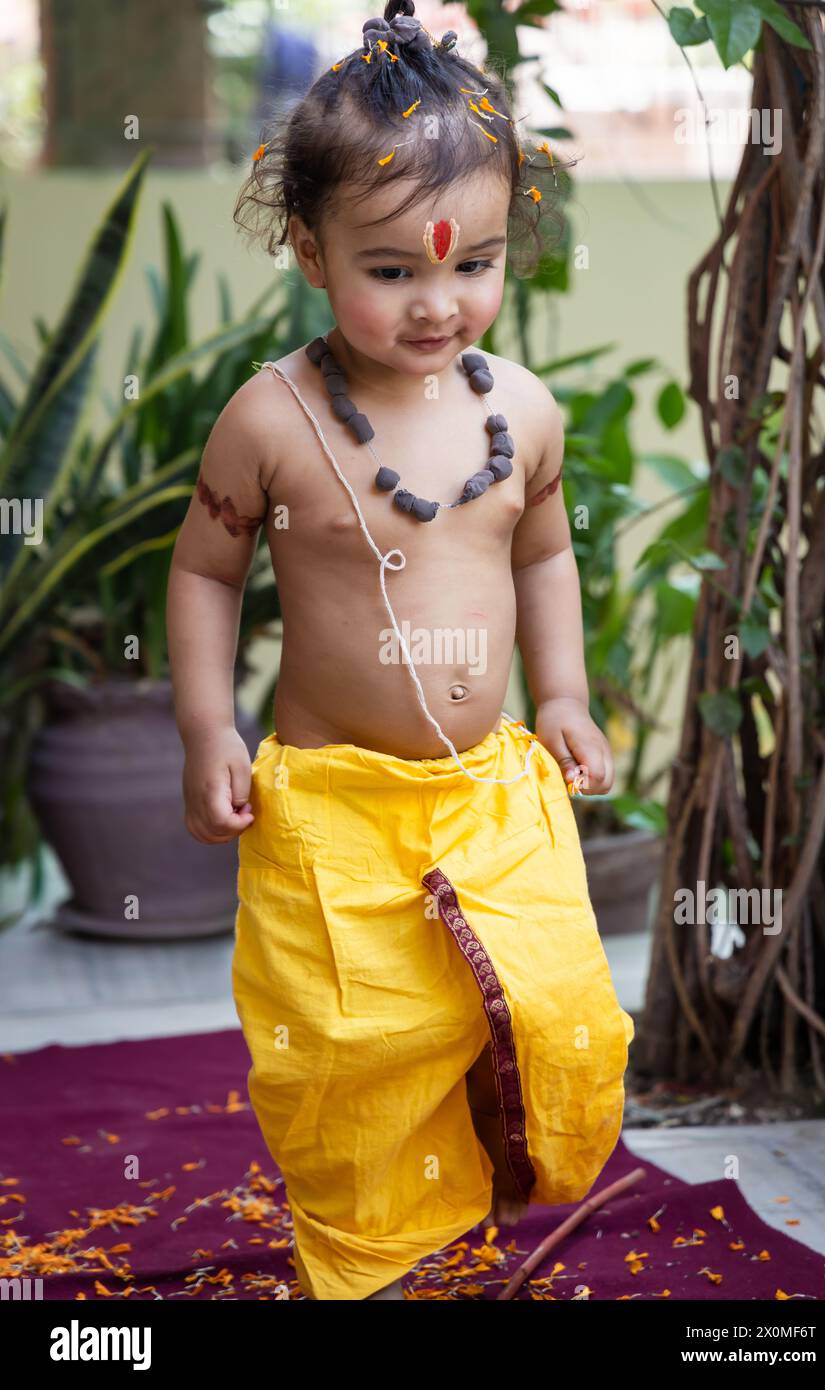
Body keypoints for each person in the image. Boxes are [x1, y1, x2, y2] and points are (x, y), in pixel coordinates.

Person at [167, 0, 635, 1302]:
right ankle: (376, 1249)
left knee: (561, 1016)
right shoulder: (268, 420)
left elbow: (541, 556)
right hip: (332, 808)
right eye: (393, 271)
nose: (439, 302)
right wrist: (208, 728)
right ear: (310, 250)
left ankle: (492, 1173)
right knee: (359, 1045)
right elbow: (205, 572)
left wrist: (562, 694)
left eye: (472, 262)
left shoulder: (519, 415)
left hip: (490, 790)